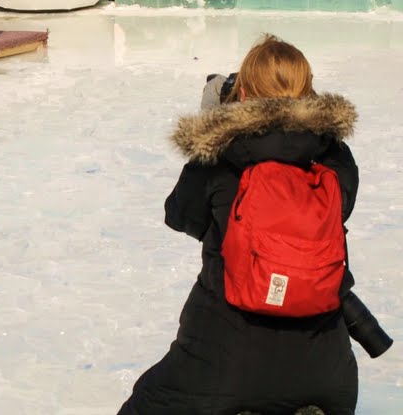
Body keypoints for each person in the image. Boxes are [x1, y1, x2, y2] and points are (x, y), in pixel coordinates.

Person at [119, 35, 360, 415]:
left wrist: (216, 125)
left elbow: (180, 215)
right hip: (328, 372)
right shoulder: (335, 158)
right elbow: (338, 210)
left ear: (243, 94)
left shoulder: (219, 157)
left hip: (221, 362)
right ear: (309, 92)